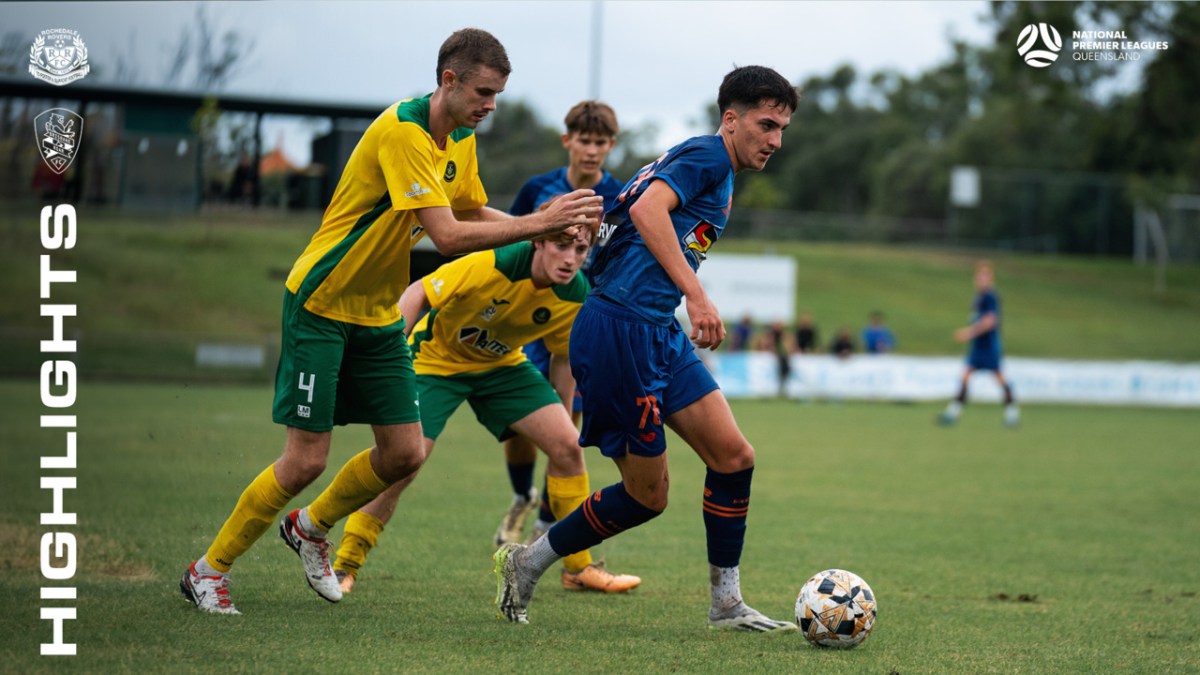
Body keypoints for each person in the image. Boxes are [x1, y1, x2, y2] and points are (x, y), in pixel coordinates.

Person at [179, 28, 605, 615]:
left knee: (405, 453)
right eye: (483, 91)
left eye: (498, 95)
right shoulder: (404, 132)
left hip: (376, 313)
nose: (490, 105)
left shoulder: (459, 136)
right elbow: (450, 237)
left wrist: (549, 228)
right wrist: (539, 222)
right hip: (322, 304)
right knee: (306, 459)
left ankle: (310, 528)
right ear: (447, 80)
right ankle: (208, 571)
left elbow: (469, 208)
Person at [493, 65, 801, 633]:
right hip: (620, 334)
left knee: (735, 457)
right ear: (730, 119)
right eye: (766, 124)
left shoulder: (708, 164)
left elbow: (616, 224)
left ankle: (726, 604)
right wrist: (696, 295)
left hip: (652, 327)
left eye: (782, 128)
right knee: (647, 497)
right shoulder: (708, 156)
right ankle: (528, 561)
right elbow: (643, 211)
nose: (776, 140)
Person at [332, 224, 640, 594]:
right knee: (403, 462)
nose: (571, 259)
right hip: (434, 360)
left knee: (568, 447)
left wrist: (563, 415)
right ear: (538, 241)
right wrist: (389, 355)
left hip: (501, 366)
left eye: (581, 250)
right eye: (562, 245)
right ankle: (344, 566)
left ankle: (578, 569)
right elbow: (418, 292)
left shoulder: (576, 294)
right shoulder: (491, 263)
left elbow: (562, 356)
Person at [493, 101, 626, 557]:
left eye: (600, 142)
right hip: (529, 322)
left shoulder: (620, 197)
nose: (591, 150)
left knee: (566, 424)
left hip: (583, 323)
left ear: (611, 146)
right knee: (519, 429)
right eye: (584, 140)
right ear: (568, 140)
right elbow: (510, 239)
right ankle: (521, 496)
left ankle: (547, 525)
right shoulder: (539, 189)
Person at [939, 260, 1020, 427]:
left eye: (985, 277)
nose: (981, 280)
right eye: (979, 277)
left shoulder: (990, 296)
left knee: (1000, 378)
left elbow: (990, 321)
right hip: (978, 347)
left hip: (989, 346)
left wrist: (969, 333)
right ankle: (952, 414)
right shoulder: (978, 297)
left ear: (991, 279)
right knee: (965, 377)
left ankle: (1012, 415)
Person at [758, 319, 793, 397]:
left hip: (781, 356)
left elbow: (788, 347)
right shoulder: (770, 335)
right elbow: (764, 345)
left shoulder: (783, 336)